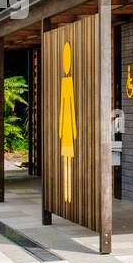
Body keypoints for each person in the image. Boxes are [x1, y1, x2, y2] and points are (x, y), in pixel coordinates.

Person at [59, 41, 77, 203]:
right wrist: (74, 130)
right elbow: (68, 106)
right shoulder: (67, 83)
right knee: (67, 159)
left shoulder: (67, 82)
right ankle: (67, 194)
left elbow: (66, 107)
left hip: (67, 128)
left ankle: (68, 194)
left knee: (67, 159)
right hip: (68, 128)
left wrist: (60, 129)